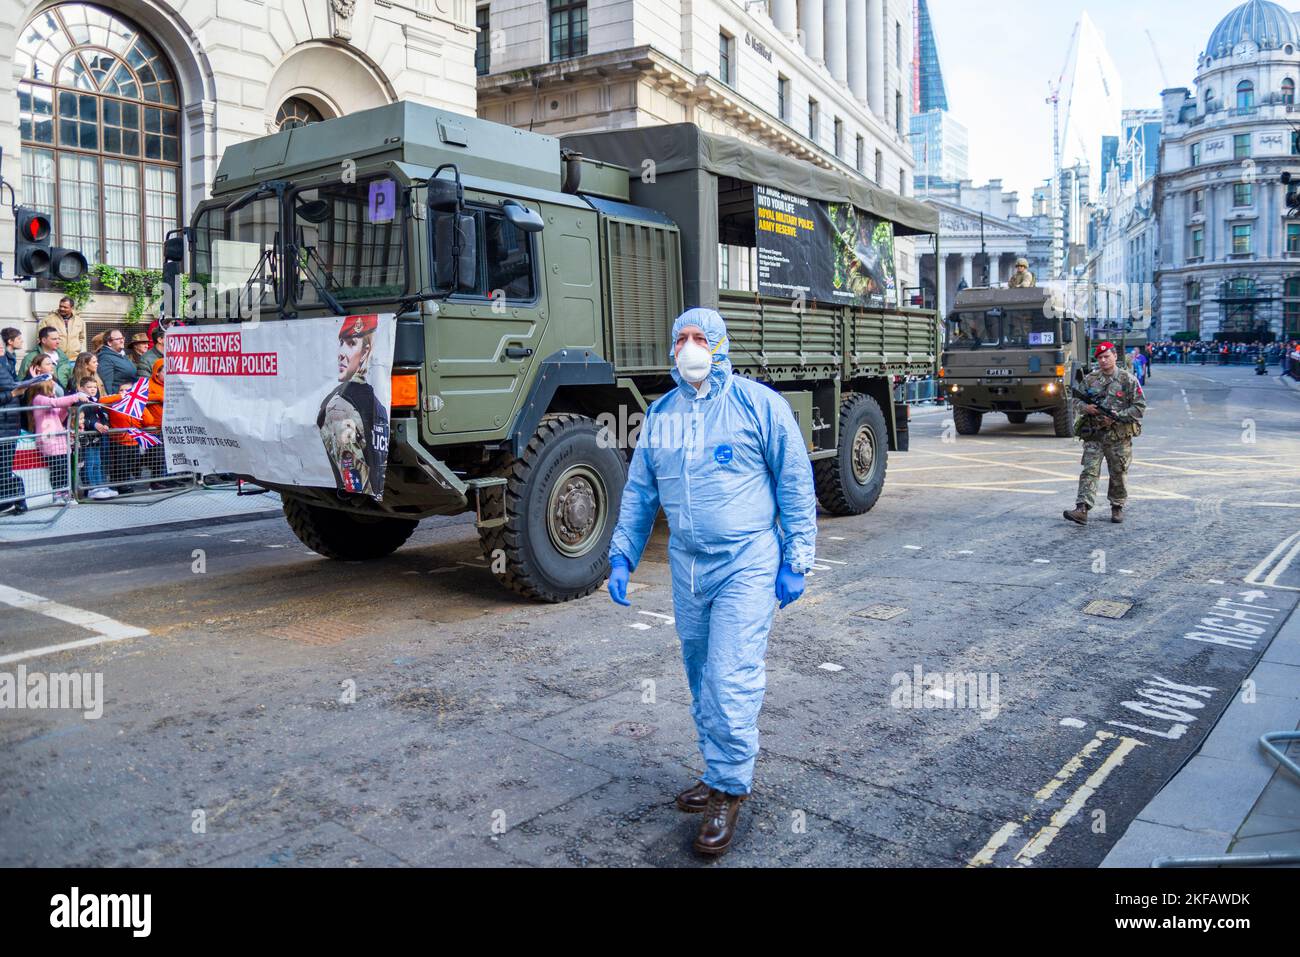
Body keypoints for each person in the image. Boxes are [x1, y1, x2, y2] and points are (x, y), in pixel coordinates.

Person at [606, 307, 817, 858]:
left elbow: (795, 480)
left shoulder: (758, 405)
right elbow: (639, 491)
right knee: (700, 673)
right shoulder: (662, 414)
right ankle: (717, 766)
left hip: (746, 562)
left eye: (702, 337)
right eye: (682, 338)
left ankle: (729, 789)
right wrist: (624, 553)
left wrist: (797, 557)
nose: (691, 347)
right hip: (688, 565)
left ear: (722, 346)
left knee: (730, 676)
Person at [1064, 341, 1146, 526]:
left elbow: (1140, 407)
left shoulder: (1128, 380)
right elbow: (1075, 401)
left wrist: (1118, 416)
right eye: (1100, 357)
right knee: (1089, 471)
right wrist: (1086, 408)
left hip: (1118, 436)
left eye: (1106, 356)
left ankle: (1117, 505)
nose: (1103, 360)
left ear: (1115, 356)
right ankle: (1082, 508)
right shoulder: (1090, 379)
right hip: (1094, 435)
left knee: (1118, 472)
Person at [317, 314, 389, 499]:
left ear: (365, 352)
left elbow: (356, 480)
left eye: (350, 343)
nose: (341, 352)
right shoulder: (372, 396)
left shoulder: (339, 406)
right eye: (341, 342)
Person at [30, 375, 89, 505]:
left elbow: (60, 416)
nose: (54, 386)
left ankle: (66, 494)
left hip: (60, 439)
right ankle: (57, 495)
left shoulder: (51, 399)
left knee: (65, 467)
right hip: (48, 440)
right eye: (51, 384)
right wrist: (75, 396)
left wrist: (66, 407)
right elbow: (54, 403)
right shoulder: (39, 399)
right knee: (57, 468)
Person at [1, 327, 32, 515]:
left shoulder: (6, 363)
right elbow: (11, 389)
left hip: (8, 422)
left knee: (4, 466)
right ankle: (16, 500)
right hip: (5, 421)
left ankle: (17, 500)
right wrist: (11, 393)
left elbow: (13, 387)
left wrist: (29, 380)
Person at [75, 375, 116, 499]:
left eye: (94, 387)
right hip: (87, 437)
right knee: (90, 463)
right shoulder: (79, 401)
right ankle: (91, 488)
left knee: (98, 462)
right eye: (89, 387)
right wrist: (94, 424)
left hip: (97, 436)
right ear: (81, 388)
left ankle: (101, 486)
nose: (93, 389)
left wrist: (105, 425)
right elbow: (82, 418)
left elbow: (103, 416)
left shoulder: (96, 400)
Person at [97, 328, 137, 394]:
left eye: (122, 338)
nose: (122, 341)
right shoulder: (105, 358)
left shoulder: (121, 355)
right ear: (109, 343)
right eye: (118, 339)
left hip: (129, 396)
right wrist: (111, 401)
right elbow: (106, 383)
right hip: (118, 398)